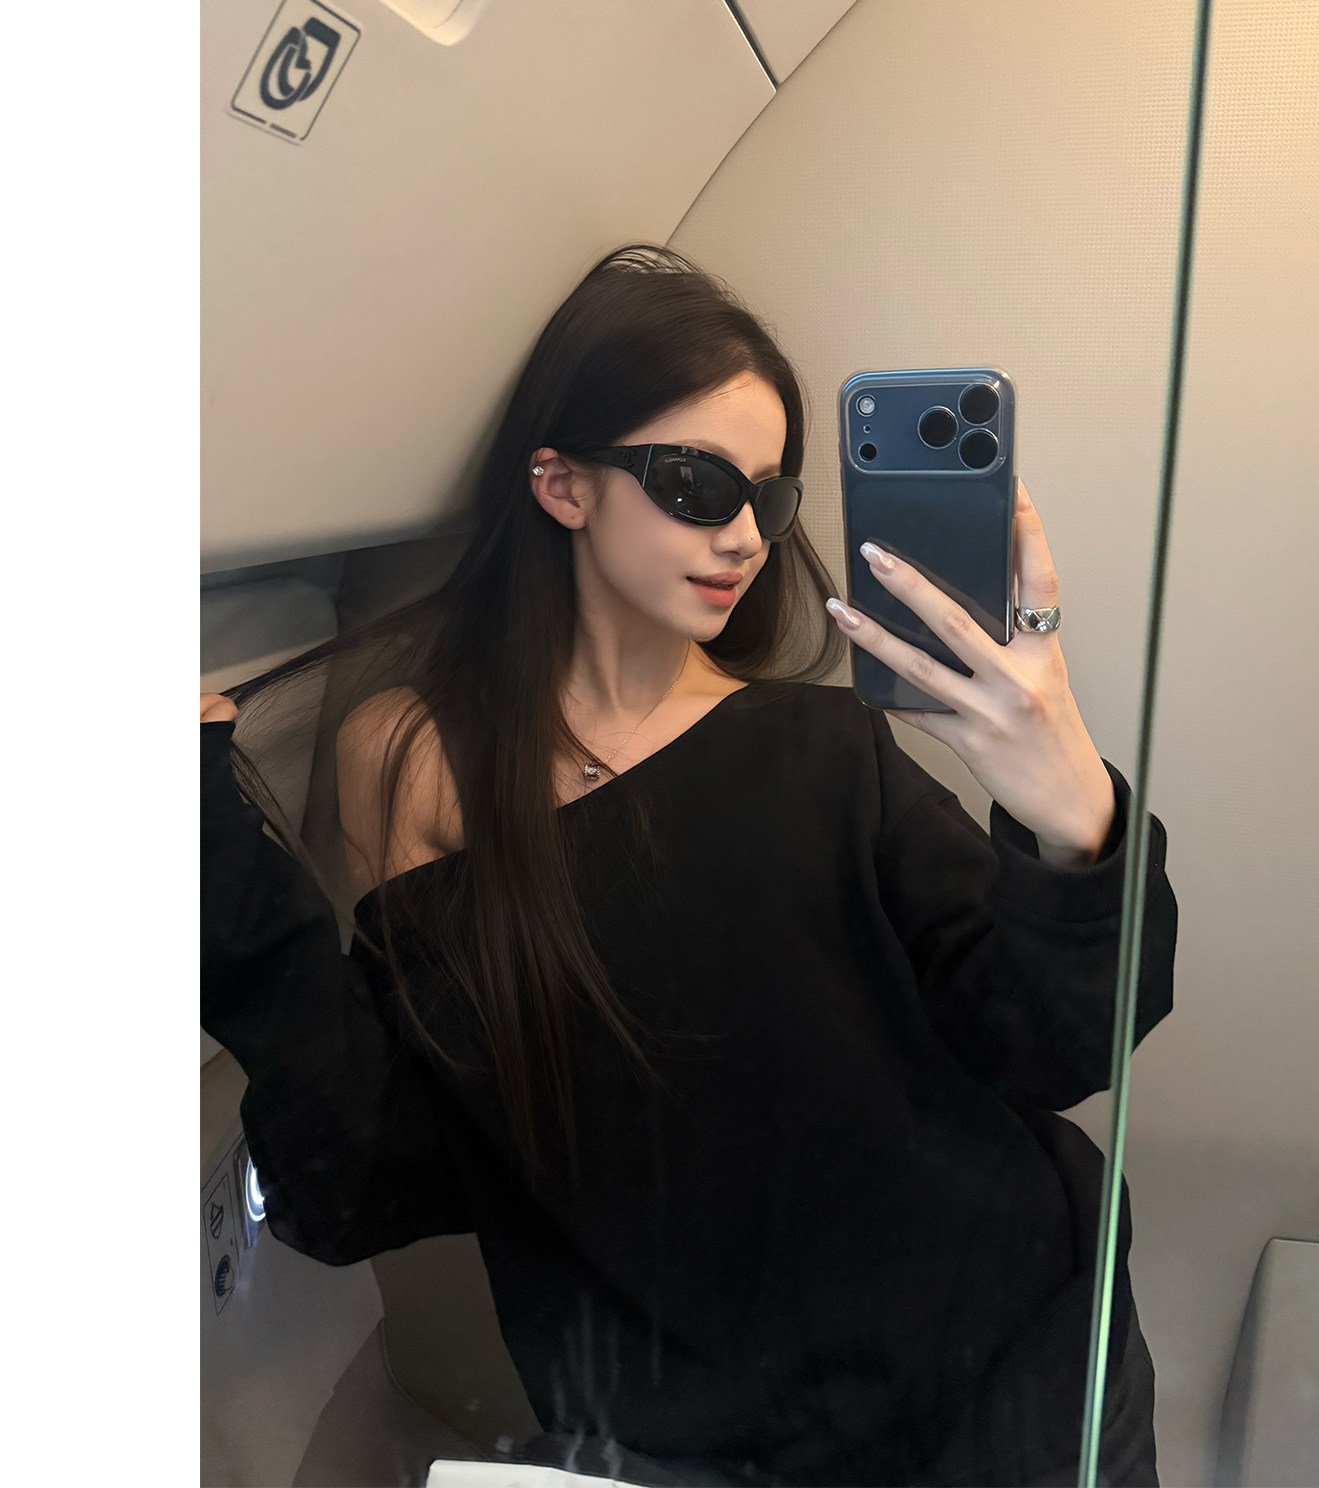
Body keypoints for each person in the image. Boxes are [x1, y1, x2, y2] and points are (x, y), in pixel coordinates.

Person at [201, 243, 1177, 1486]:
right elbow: (377, 1167)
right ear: (561, 484)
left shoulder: (820, 750)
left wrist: (1071, 809)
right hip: (701, 1447)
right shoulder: (412, 759)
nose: (746, 537)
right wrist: (208, 843)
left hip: (1020, 1388)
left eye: (768, 498)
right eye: (696, 484)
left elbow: (1055, 1050)